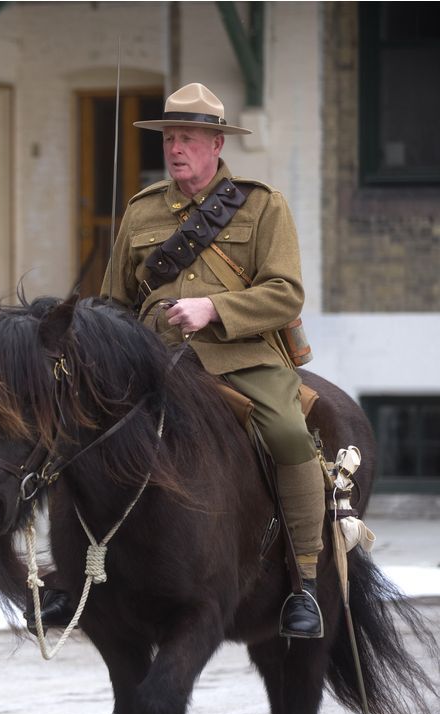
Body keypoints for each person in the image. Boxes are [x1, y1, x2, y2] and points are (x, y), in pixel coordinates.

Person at [100, 82, 325, 638]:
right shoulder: (142, 209)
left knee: (290, 436)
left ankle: (306, 581)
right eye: (170, 138)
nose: (176, 149)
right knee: (88, 432)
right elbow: (113, 302)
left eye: (189, 139)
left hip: (241, 357)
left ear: (217, 144)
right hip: (156, 358)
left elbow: (286, 293)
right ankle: (83, 575)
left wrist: (214, 308)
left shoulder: (262, 204)